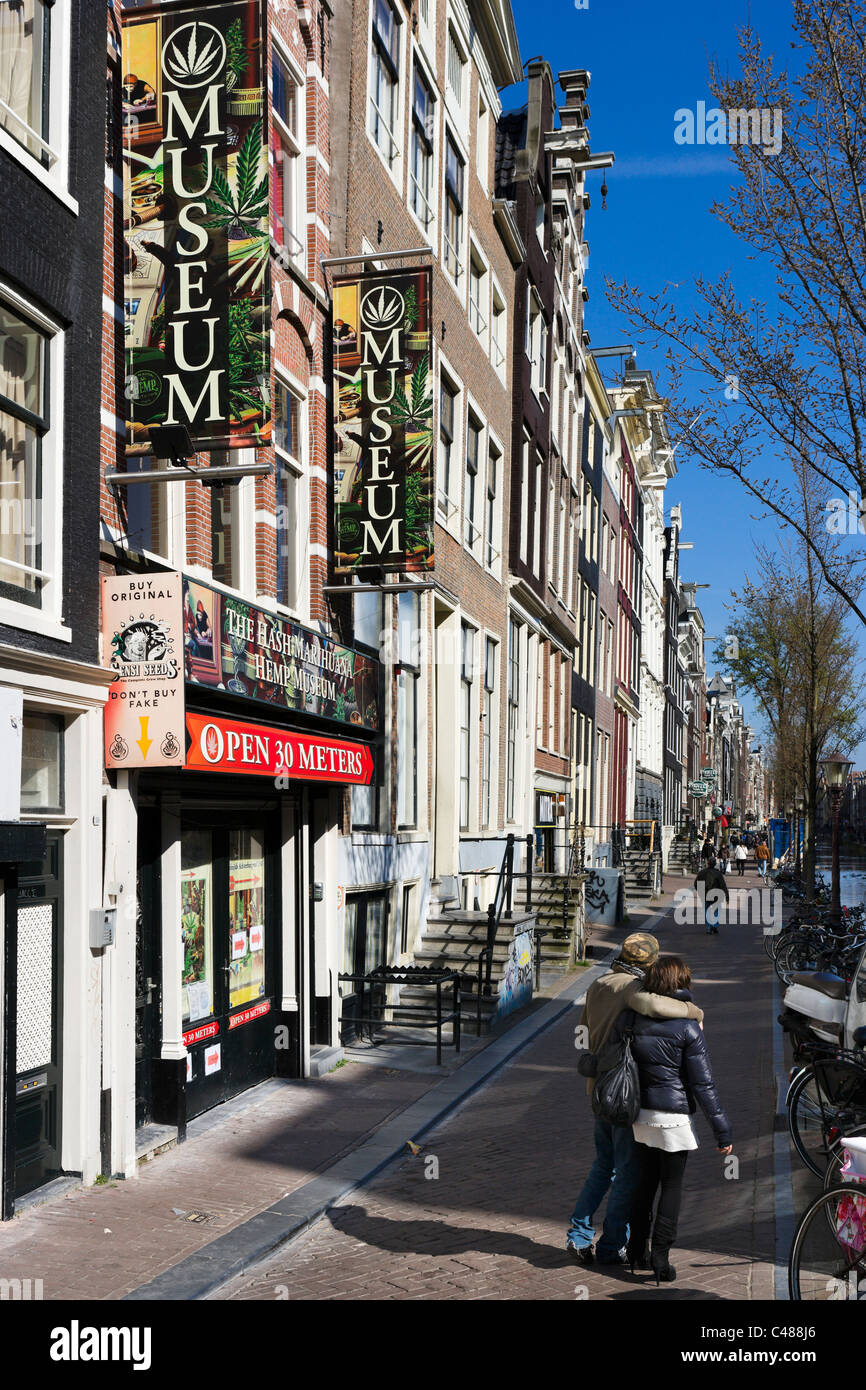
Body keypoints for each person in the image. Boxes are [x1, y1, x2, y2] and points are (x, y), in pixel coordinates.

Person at [567, 933, 704, 1266]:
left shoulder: (598, 984)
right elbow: (656, 1006)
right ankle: (613, 1246)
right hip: (625, 1093)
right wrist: (693, 1011)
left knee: (603, 1166)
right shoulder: (632, 989)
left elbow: (582, 1032)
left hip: (599, 1089)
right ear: (648, 963)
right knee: (628, 1173)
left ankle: (578, 1234)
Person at [609, 955, 733, 1284]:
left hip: (638, 1112)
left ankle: (636, 1249)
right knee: (672, 1186)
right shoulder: (688, 1027)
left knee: (644, 1183)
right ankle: (661, 1259)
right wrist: (723, 1132)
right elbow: (702, 1084)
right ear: (680, 984)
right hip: (672, 1117)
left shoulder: (628, 1019)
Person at [695, 857, 728, 934]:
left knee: (707, 911)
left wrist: (701, 892)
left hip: (705, 895)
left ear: (708, 863)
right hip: (716, 895)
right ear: (715, 864)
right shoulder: (718, 873)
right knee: (717, 910)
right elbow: (723, 885)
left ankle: (708, 928)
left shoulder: (702, 873)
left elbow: (696, 883)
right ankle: (715, 925)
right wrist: (726, 896)